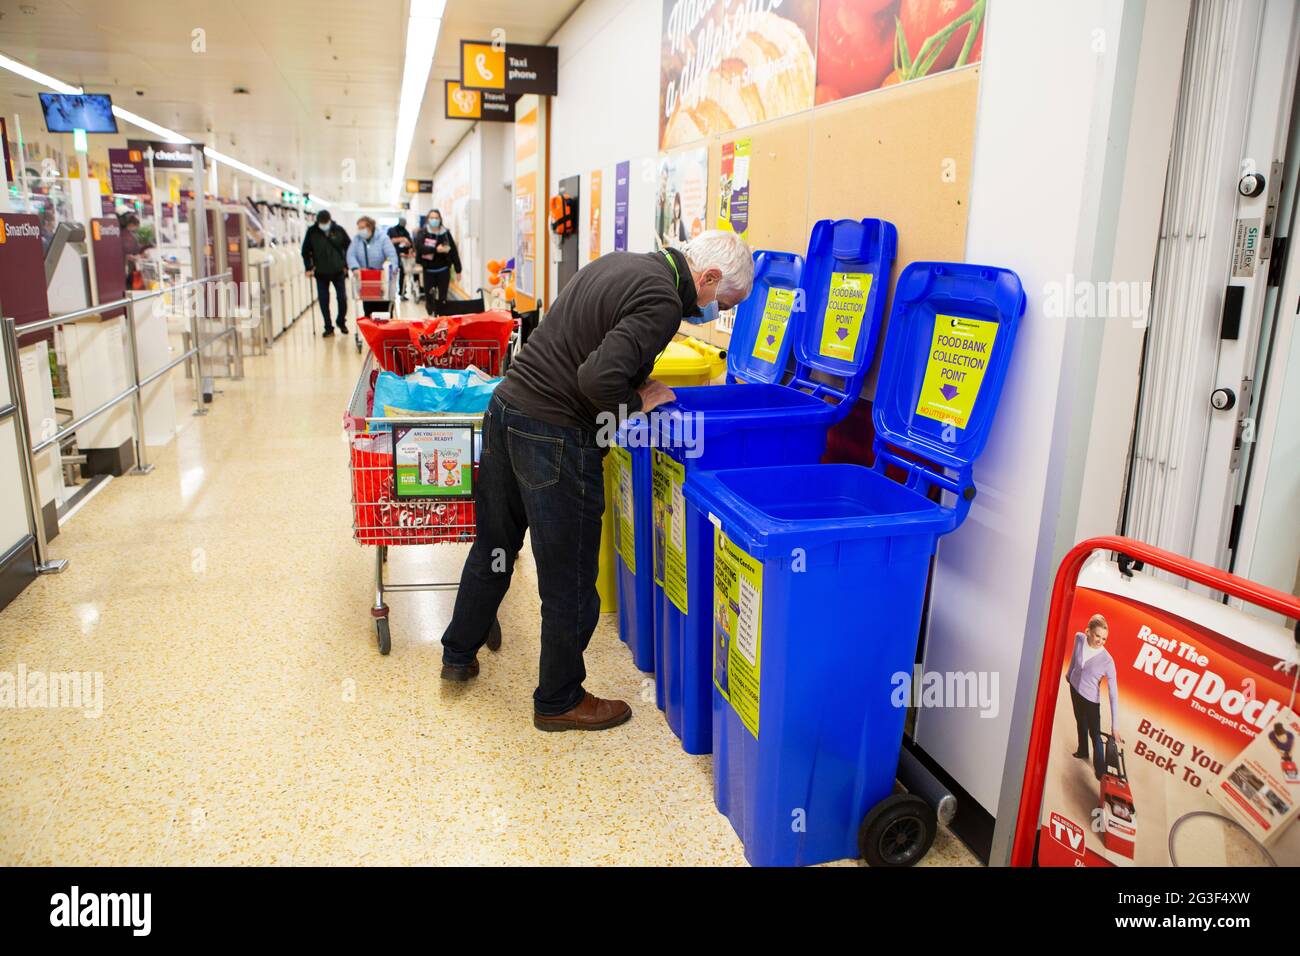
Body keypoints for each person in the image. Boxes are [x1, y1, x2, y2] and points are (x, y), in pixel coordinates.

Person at [439, 230, 754, 732]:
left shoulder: (624, 264)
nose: (715, 312)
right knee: (570, 578)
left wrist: (627, 383)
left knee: (495, 546)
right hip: (554, 435)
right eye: (724, 301)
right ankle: (559, 699)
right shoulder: (662, 301)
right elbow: (595, 378)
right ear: (709, 277)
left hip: (507, 409)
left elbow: (585, 345)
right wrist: (638, 401)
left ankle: (458, 652)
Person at [1066, 613, 1121, 780]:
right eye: (1098, 636)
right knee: (1080, 722)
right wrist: (1069, 674)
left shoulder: (1108, 661)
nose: (1100, 641)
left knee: (1095, 734)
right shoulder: (1080, 638)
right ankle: (1083, 751)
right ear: (1088, 631)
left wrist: (1115, 726)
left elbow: (1113, 693)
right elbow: (1074, 659)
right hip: (1074, 690)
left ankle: (1100, 771)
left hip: (1091, 701)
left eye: (1104, 639)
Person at [301, 210, 351, 337]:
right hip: (321, 272)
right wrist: (308, 267)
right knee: (323, 300)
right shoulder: (312, 232)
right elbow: (305, 251)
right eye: (321, 223)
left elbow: (349, 247)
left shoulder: (339, 230)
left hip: (338, 270)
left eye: (325, 222)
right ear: (317, 222)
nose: (323, 224)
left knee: (342, 298)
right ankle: (328, 327)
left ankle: (341, 321)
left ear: (330, 220)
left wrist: (346, 265)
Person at [346, 216, 400, 317]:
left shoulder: (383, 238)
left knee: (384, 311)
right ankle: (371, 330)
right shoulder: (357, 240)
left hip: (382, 280)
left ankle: (384, 330)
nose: (360, 230)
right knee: (368, 311)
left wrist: (392, 269)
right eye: (359, 228)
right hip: (366, 280)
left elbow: (392, 256)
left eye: (362, 227)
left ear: (370, 227)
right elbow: (351, 255)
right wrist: (355, 268)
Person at [414, 209, 461, 314]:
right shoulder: (423, 232)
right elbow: (420, 247)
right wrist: (435, 249)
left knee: (443, 299)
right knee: (429, 299)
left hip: (443, 270)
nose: (434, 220)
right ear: (428, 219)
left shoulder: (445, 233)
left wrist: (458, 269)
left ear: (440, 219)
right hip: (428, 271)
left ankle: (441, 317)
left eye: (436, 218)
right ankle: (431, 313)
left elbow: (453, 251)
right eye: (432, 218)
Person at [118, 212, 152, 289]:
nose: (136, 229)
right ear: (131, 225)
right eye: (136, 226)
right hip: (127, 269)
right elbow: (128, 253)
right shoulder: (126, 236)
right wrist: (138, 255)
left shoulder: (126, 235)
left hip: (129, 268)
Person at [387, 217, 415, 301]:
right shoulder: (392, 230)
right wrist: (401, 239)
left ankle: (402, 293)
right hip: (393, 256)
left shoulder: (405, 232)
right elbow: (388, 241)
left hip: (403, 257)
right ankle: (391, 293)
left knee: (403, 275)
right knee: (392, 275)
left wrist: (408, 244)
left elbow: (410, 244)